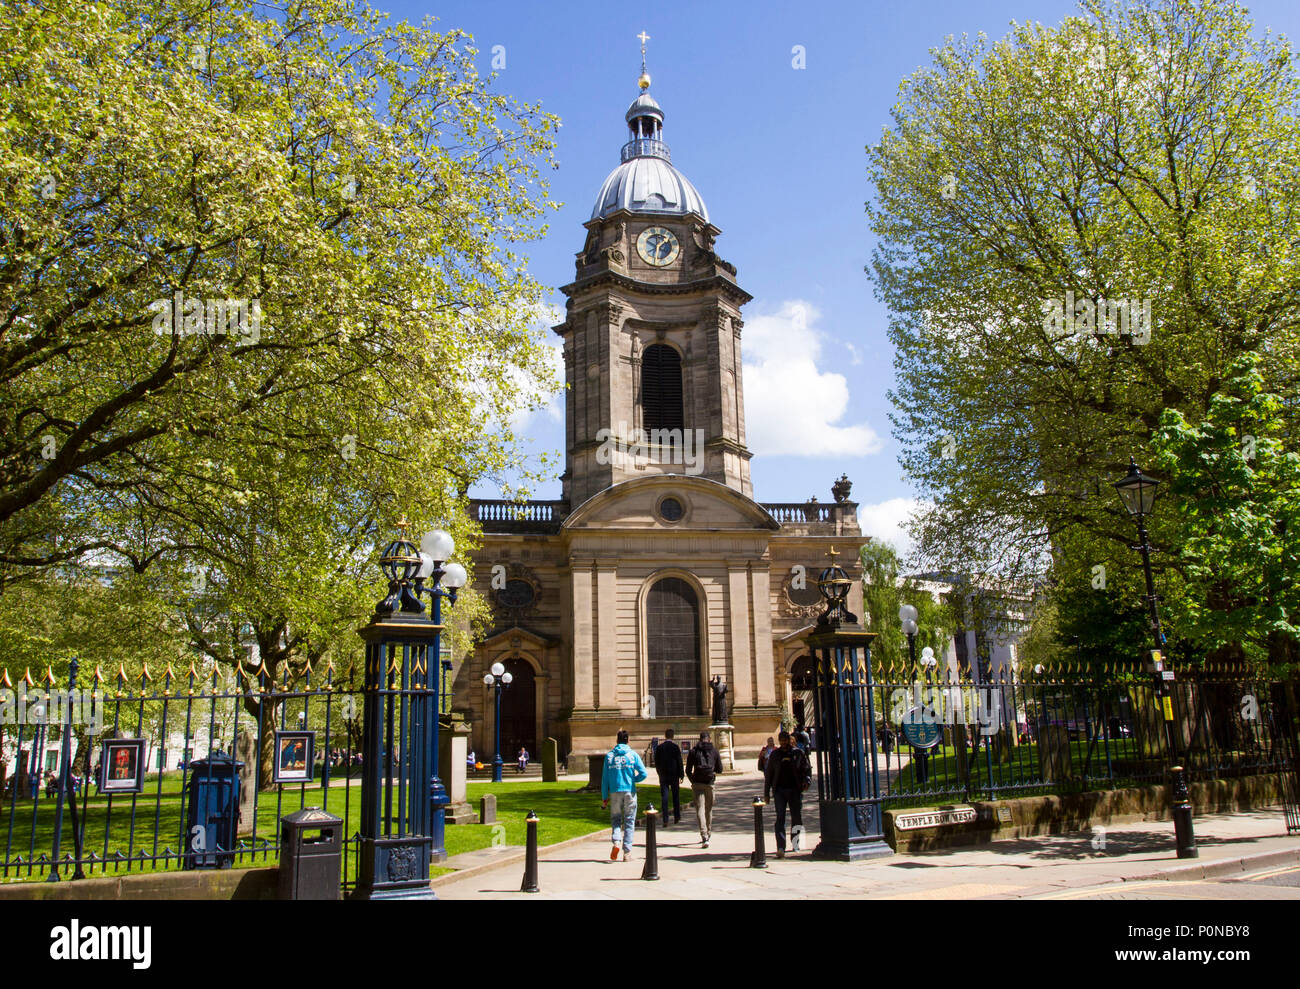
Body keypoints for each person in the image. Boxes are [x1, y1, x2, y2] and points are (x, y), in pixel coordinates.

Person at [764, 730, 812, 858]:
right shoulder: (775, 755)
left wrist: (807, 781)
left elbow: (807, 769)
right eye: (781, 740)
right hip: (779, 790)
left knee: (797, 818)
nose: (783, 742)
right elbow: (769, 775)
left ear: (789, 740)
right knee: (780, 818)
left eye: (785, 740)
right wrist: (766, 794)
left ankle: (795, 843)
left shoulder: (798, 753)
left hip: (795, 790)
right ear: (779, 741)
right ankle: (781, 846)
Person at [600, 729, 647, 862]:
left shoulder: (609, 756)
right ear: (628, 740)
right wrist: (634, 780)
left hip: (614, 792)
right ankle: (627, 853)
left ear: (617, 740)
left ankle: (616, 842)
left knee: (615, 819)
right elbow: (643, 773)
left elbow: (604, 779)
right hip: (629, 791)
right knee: (629, 821)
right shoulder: (632, 755)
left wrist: (604, 797)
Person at [686, 730, 722, 848]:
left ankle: (704, 835)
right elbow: (720, 769)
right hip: (709, 783)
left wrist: (693, 781)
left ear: (699, 739)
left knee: (700, 810)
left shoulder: (693, 751)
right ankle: (709, 832)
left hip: (697, 783)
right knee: (709, 809)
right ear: (709, 739)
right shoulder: (715, 751)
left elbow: (688, 770)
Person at [654, 728, 685, 826]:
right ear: (673, 736)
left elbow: (657, 762)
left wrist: (659, 773)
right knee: (676, 796)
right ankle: (677, 816)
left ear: (665, 736)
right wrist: (681, 774)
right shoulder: (675, 747)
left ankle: (665, 819)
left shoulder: (659, 747)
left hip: (663, 775)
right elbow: (679, 762)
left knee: (665, 797)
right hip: (674, 775)